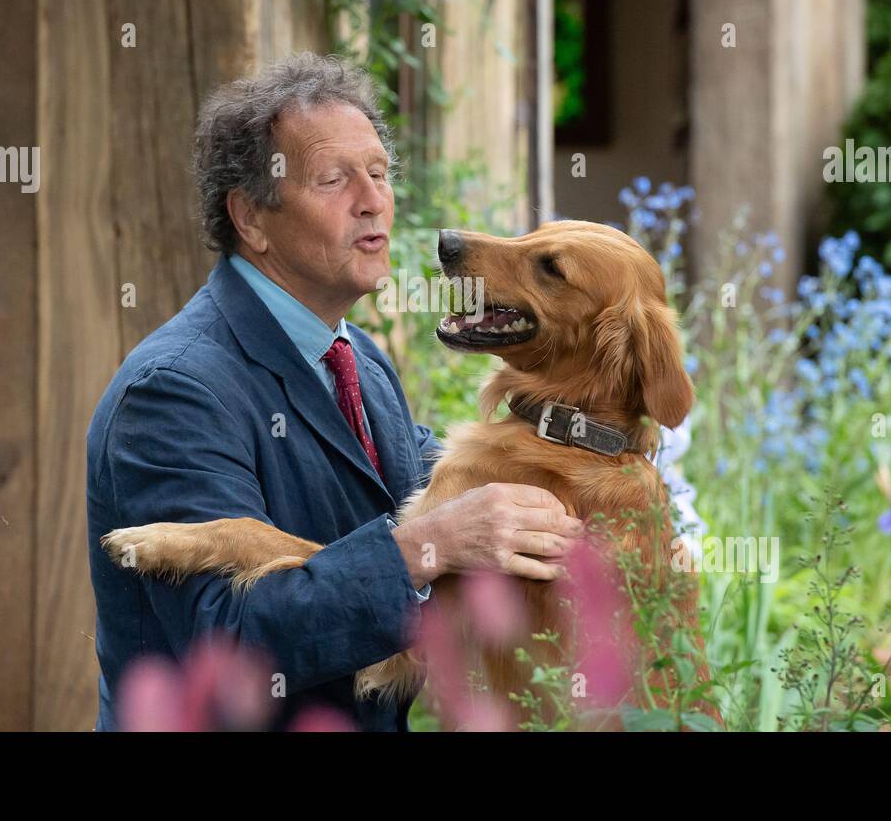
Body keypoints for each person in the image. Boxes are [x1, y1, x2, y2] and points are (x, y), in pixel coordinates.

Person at [87, 51, 584, 731]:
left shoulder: (358, 360)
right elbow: (226, 639)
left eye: (379, 173)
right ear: (251, 218)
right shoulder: (175, 389)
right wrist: (425, 546)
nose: (373, 198)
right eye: (333, 179)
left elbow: (459, 489)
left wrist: (613, 529)